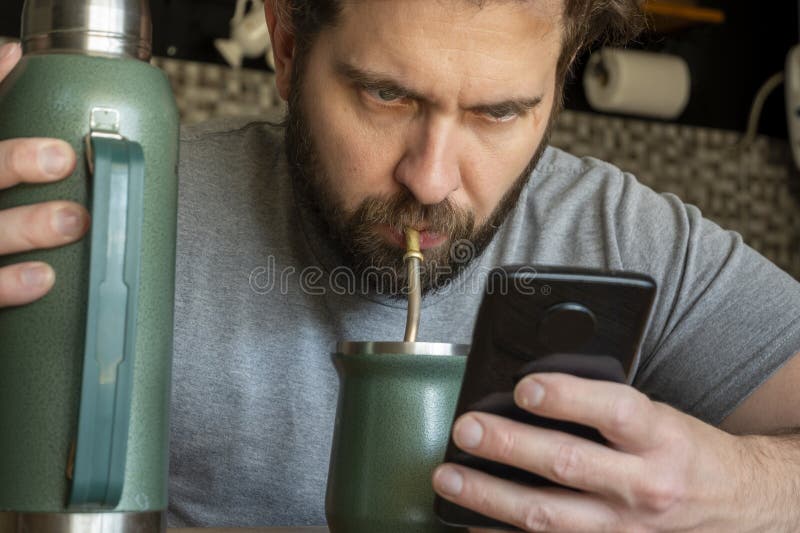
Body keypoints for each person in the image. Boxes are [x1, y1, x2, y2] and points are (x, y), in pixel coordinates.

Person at [1, 0, 799, 530]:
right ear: (285, 46)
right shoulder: (124, 207)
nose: (430, 179)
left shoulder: (624, 236)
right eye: (386, 96)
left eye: (499, 111)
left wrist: (736, 482)